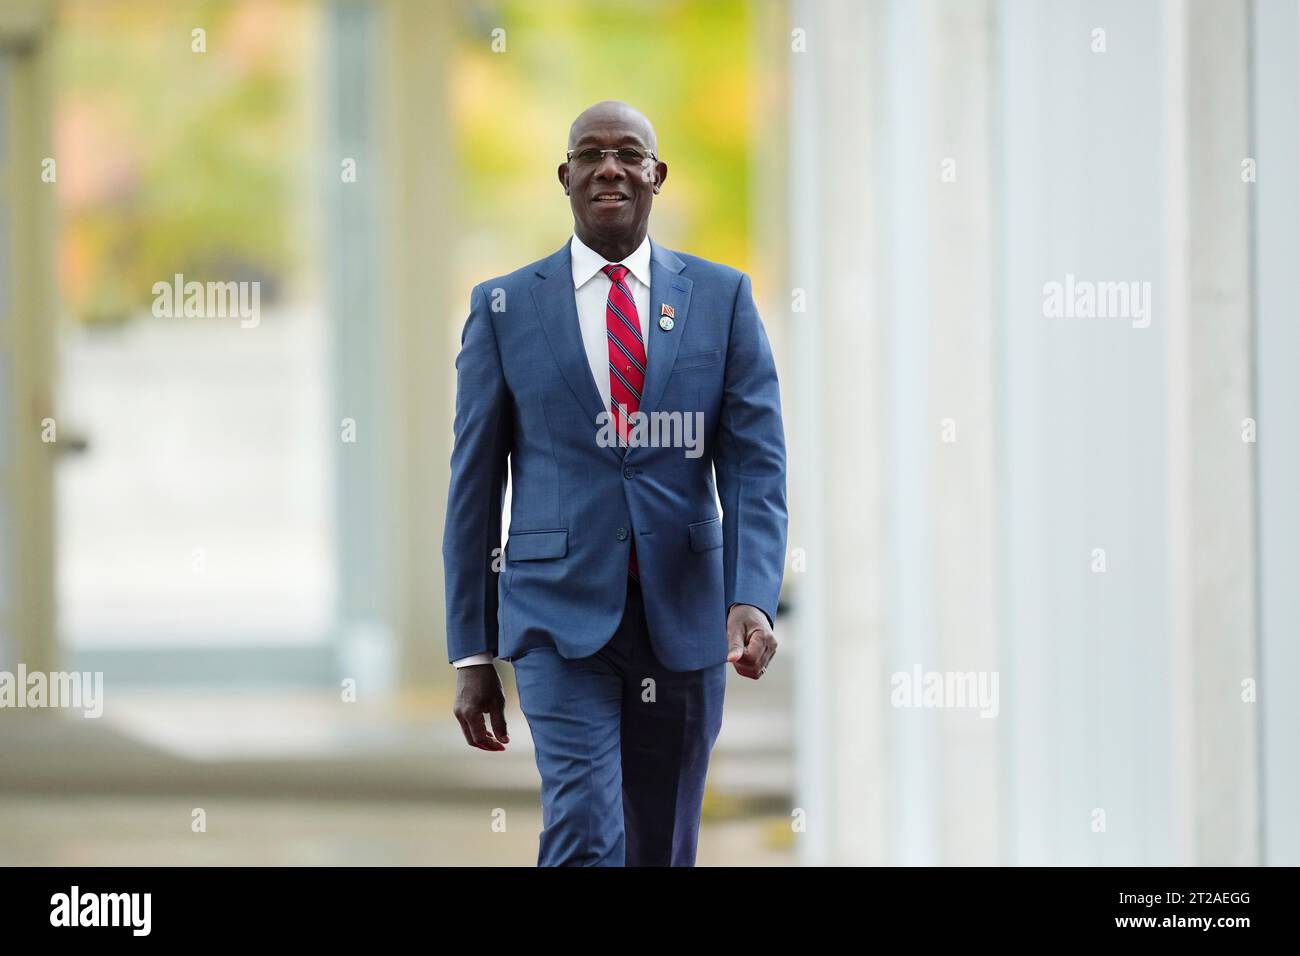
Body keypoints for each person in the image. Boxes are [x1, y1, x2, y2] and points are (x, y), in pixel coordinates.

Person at [443, 100, 787, 866]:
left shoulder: (723, 300)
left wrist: (752, 596)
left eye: (629, 154)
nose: (610, 167)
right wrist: (472, 654)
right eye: (590, 154)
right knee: (586, 833)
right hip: (557, 622)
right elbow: (474, 487)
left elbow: (756, 465)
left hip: (686, 618)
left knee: (661, 845)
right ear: (564, 177)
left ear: (656, 177)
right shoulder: (503, 308)